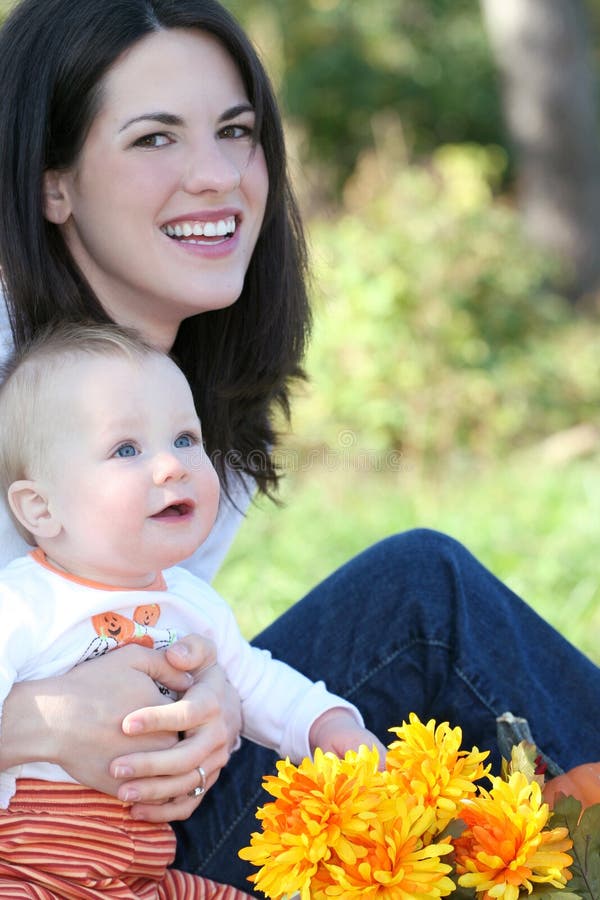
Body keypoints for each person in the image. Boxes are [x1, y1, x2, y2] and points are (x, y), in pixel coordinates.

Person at [0, 0, 597, 895]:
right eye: (154, 139)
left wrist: (214, 708)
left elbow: (190, 642)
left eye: (235, 131)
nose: (216, 175)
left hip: (150, 839)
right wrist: (33, 721)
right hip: (34, 859)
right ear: (54, 182)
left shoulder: (197, 416)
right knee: (421, 597)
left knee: (418, 592)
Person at [0, 322, 381, 898]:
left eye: (185, 438)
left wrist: (329, 723)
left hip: (144, 874)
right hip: (28, 867)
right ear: (42, 508)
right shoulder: (24, 604)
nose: (172, 465)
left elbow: (254, 682)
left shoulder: (189, 601)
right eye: (126, 449)